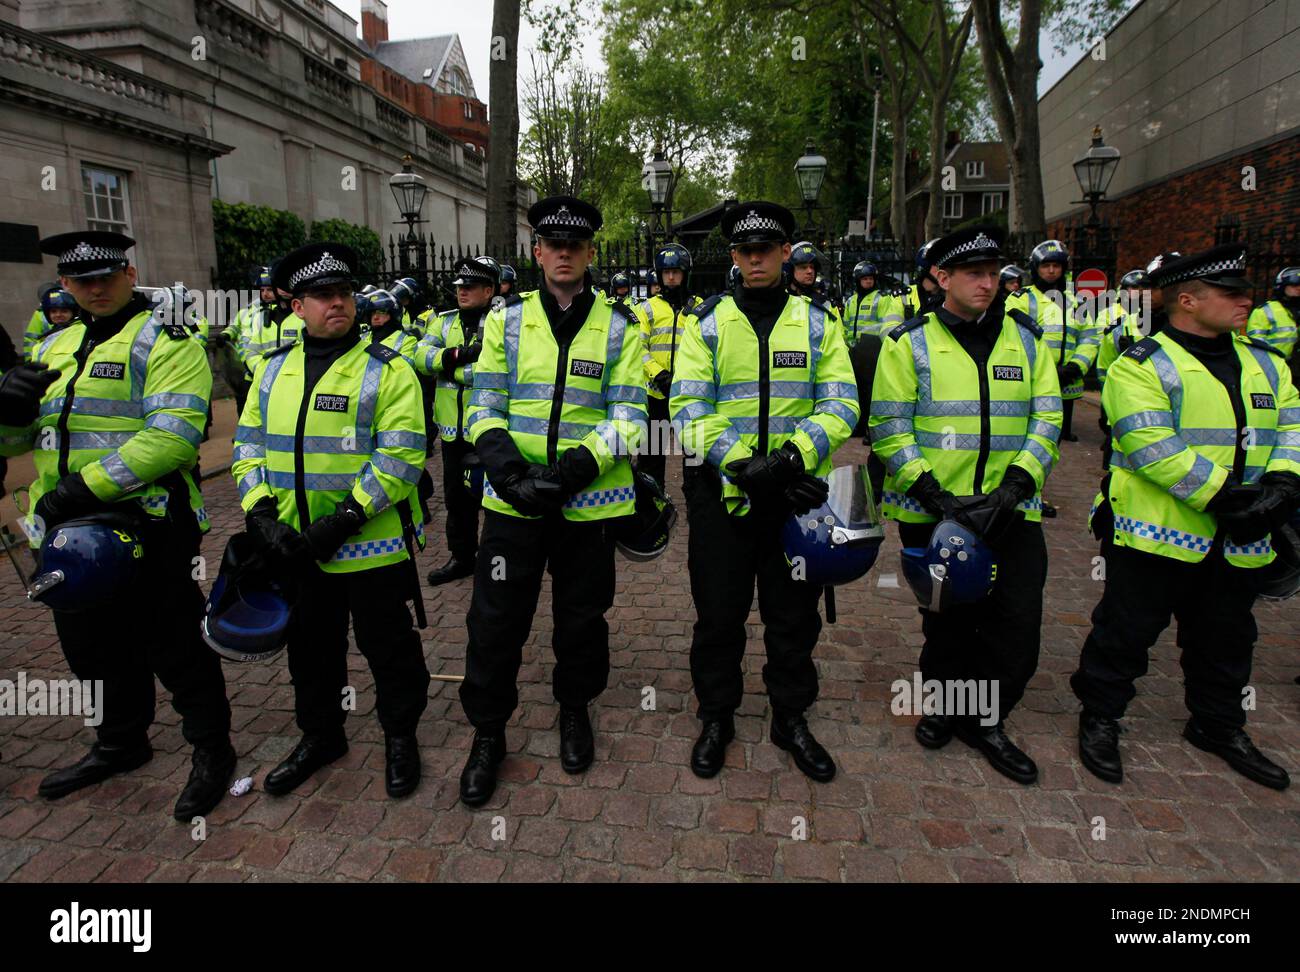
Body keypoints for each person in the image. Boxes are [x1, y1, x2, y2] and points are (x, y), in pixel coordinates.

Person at [0, 230, 234, 820]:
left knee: (174, 643)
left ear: (129, 275)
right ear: (65, 286)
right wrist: (8, 413)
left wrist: (78, 491)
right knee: (90, 649)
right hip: (67, 536)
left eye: (106, 276)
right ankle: (120, 743)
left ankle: (212, 751)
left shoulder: (167, 339)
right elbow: (21, 442)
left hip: (148, 522)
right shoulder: (54, 346)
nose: (95, 288)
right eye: (82, 280)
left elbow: (173, 436)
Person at [1071, 244, 1300, 791]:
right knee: (1125, 632)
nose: (1248, 300)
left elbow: (1291, 423)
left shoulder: (1266, 361)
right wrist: (1233, 498)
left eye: (1246, 291)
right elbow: (1151, 444)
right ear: (1188, 300)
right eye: (1232, 293)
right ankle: (1101, 716)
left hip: (1240, 537)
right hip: (1155, 534)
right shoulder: (1143, 363)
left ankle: (1219, 725)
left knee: (1228, 637)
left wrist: (1284, 483)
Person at [457, 195, 647, 807]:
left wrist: (574, 468)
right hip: (513, 508)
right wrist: (510, 474)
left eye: (576, 244)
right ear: (537, 252)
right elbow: (481, 404)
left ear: (590, 253)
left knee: (582, 618)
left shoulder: (620, 326)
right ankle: (488, 734)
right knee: (494, 622)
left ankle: (574, 709)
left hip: (586, 507)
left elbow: (631, 413)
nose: (564, 253)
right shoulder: (505, 322)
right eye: (552, 244)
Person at [231, 242, 431, 798]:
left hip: (368, 546)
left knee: (388, 650)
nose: (337, 303)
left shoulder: (388, 370)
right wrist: (260, 514)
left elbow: (400, 457)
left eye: (343, 292)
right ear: (297, 307)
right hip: (295, 548)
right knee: (311, 653)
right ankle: (321, 736)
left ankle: (400, 737)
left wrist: (342, 520)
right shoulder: (271, 372)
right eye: (322, 295)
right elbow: (247, 449)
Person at [671, 201, 859, 782]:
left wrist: (785, 459)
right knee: (719, 616)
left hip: (792, 502)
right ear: (734, 257)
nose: (756, 258)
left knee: (792, 617)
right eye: (746, 250)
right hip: (723, 499)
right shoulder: (704, 323)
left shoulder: (819, 323)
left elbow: (841, 403)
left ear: (785, 254)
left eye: (767, 249)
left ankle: (791, 717)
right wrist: (739, 462)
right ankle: (717, 716)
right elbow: (689, 405)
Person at [870, 225, 1062, 785]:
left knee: (1018, 622)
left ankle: (987, 719)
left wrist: (1017, 486)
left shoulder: (1026, 340)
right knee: (948, 619)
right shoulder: (909, 342)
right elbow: (889, 425)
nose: (988, 282)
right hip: (933, 511)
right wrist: (934, 494)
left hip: (1011, 511)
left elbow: (1047, 416)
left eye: (994, 272)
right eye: (974, 273)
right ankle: (941, 705)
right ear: (942, 278)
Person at [416, 255, 500, 585]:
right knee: (456, 499)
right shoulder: (443, 321)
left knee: (494, 499)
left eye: (470, 286)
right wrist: (456, 356)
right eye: (459, 286)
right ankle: (462, 557)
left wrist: (451, 369)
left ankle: (496, 562)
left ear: (489, 289)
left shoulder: (502, 320)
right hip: (452, 431)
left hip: (489, 427)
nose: (462, 292)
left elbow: (498, 369)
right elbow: (419, 357)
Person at [632, 242, 702, 489]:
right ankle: (652, 512)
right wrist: (658, 373)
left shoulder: (700, 308)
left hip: (690, 397)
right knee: (651, 458)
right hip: (657, 395)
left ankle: (697, 510)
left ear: (685, 273)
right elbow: (637, 348)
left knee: (697, 461)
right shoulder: (647, 308)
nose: (671, 277)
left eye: (676, 272)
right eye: (666, 272)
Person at [1010, 240, 1094, 442]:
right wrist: (1043, 368)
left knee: (1053, 439)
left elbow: (1089, 337)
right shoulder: (1020, 298)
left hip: (1068, 379)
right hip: (1034, 377)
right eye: (1045, 266)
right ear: (1035, 268)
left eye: (1056, 266)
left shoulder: (1077, 302)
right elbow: (1014, 337)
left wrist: (1076, 366)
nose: (1051, 271)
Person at [1247, 266, 1298, 374]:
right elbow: (1255, 343)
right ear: (1281, 287)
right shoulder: (1264, 311)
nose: (1299, 288)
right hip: (1271, 366)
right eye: (1294, 285)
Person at [843, 260, 904, 346]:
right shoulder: (850, 301)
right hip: (850, 347)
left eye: (871, 278)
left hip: (872, 347)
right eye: (865, 279)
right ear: (857, 280)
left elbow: (885, 325)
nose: (868, 281)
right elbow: (845, 326)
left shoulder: (881, 298)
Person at [22, 286, 79, 361]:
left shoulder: (78, 332)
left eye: (64, 311)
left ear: (73, 313)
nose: (58, 315)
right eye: (54, 311)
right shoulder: (44, 340)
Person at [903, 239, 942, 319]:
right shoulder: (903, 296)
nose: (945, 272)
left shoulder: (954, 297)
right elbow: (891, 327)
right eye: (940, 266)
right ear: (924, 268)